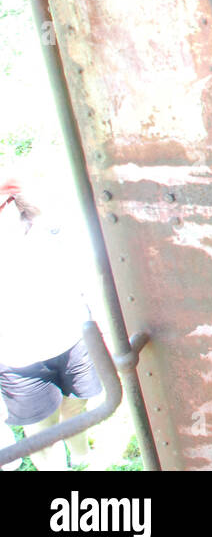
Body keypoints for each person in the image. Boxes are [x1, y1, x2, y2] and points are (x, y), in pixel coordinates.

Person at [0, 175, 103, 470]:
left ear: (12, 204)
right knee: (42, 429)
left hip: (71, 338)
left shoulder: (49, 228)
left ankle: (82, 456)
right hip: (19, 358)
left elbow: (87, 268)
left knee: (76, 406)